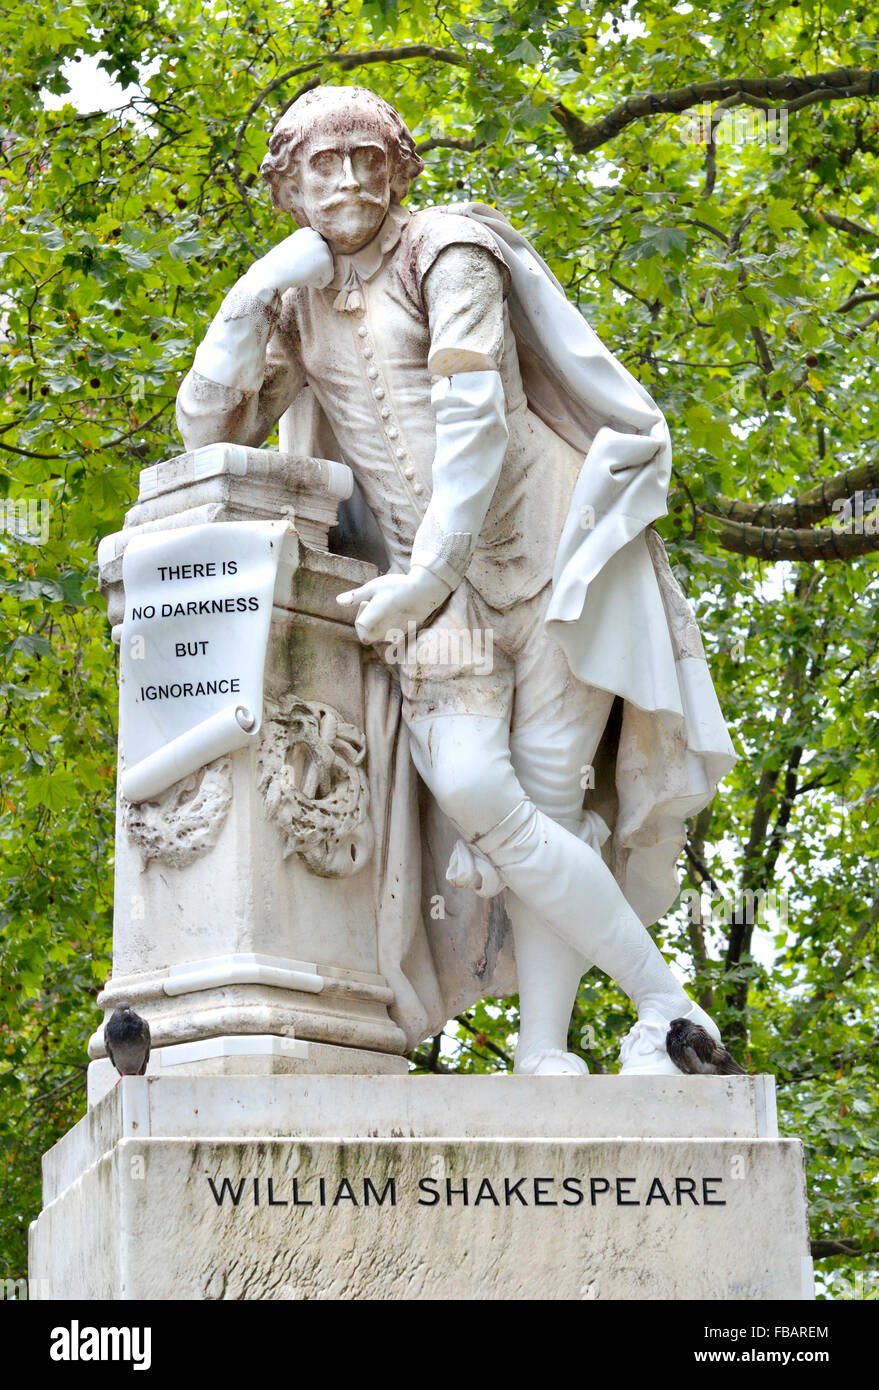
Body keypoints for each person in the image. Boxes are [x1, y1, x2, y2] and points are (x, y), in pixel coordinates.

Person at [177, 85, 736, 1076]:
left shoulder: (448, 249)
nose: (348, 180)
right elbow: (207, 433)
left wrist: (429, 573)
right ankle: (665, 1001)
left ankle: (545, 1053)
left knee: (551, 796)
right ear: (289, 185)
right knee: (478, 785)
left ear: (400, 168)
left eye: (366, 158)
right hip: (427, 588)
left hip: (551, 549)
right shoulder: (297, 294)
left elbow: (474, 415)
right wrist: (252, 289)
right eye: (323, 164)